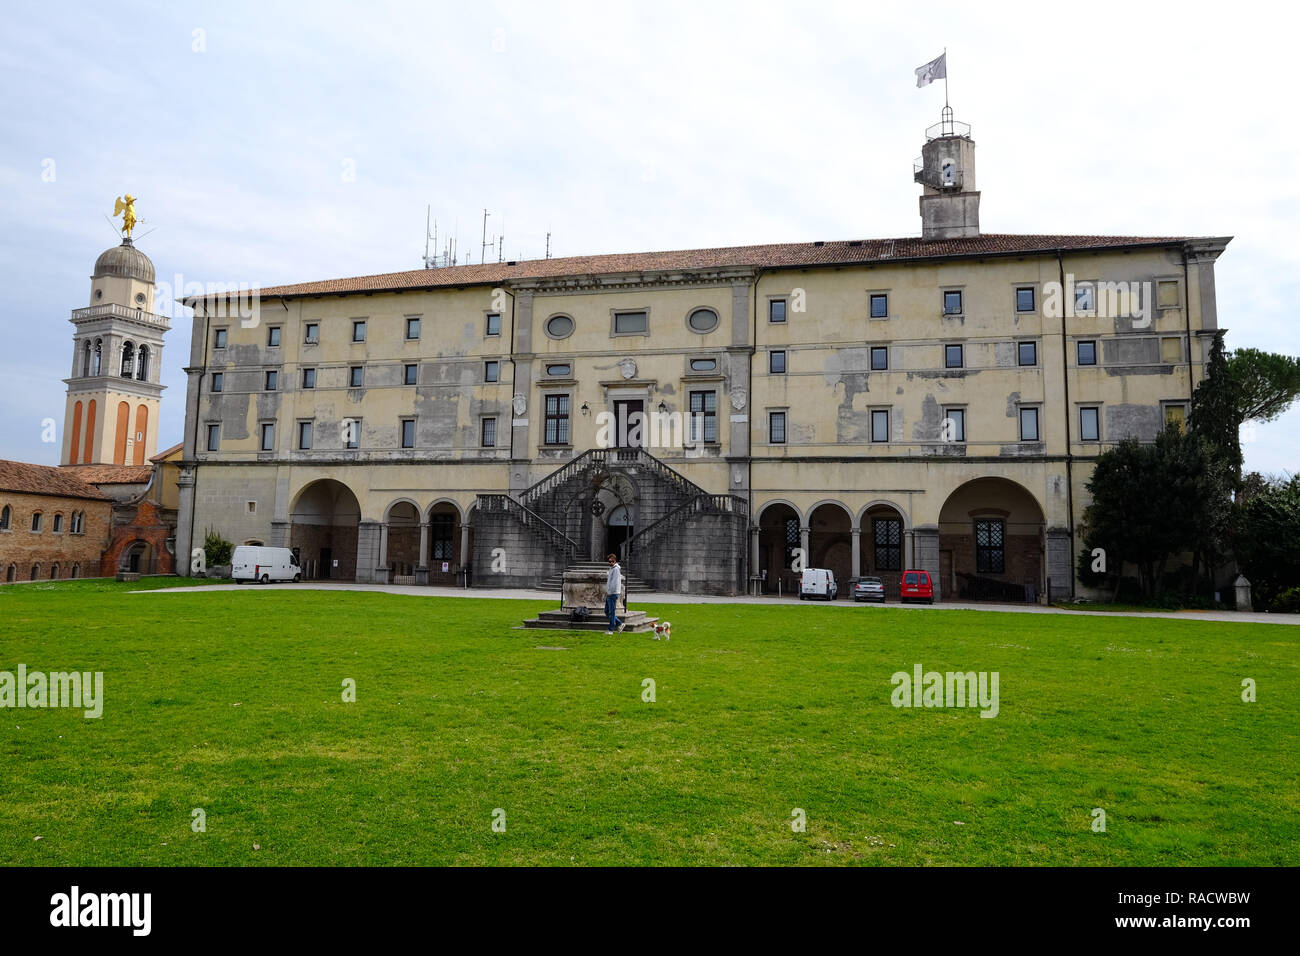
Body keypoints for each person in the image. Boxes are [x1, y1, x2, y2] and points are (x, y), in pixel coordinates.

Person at [604, 553, 624, 634]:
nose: (610, 563)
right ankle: (620, 623)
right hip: (610, 593)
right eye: (609, 561)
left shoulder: (615, 569)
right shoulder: (612, 569)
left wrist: (610, 592)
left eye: (612, 561)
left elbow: (615, 583)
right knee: (607, 611)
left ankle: (611, 630)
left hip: (612, 593)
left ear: (615, 561)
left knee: (611, 612)